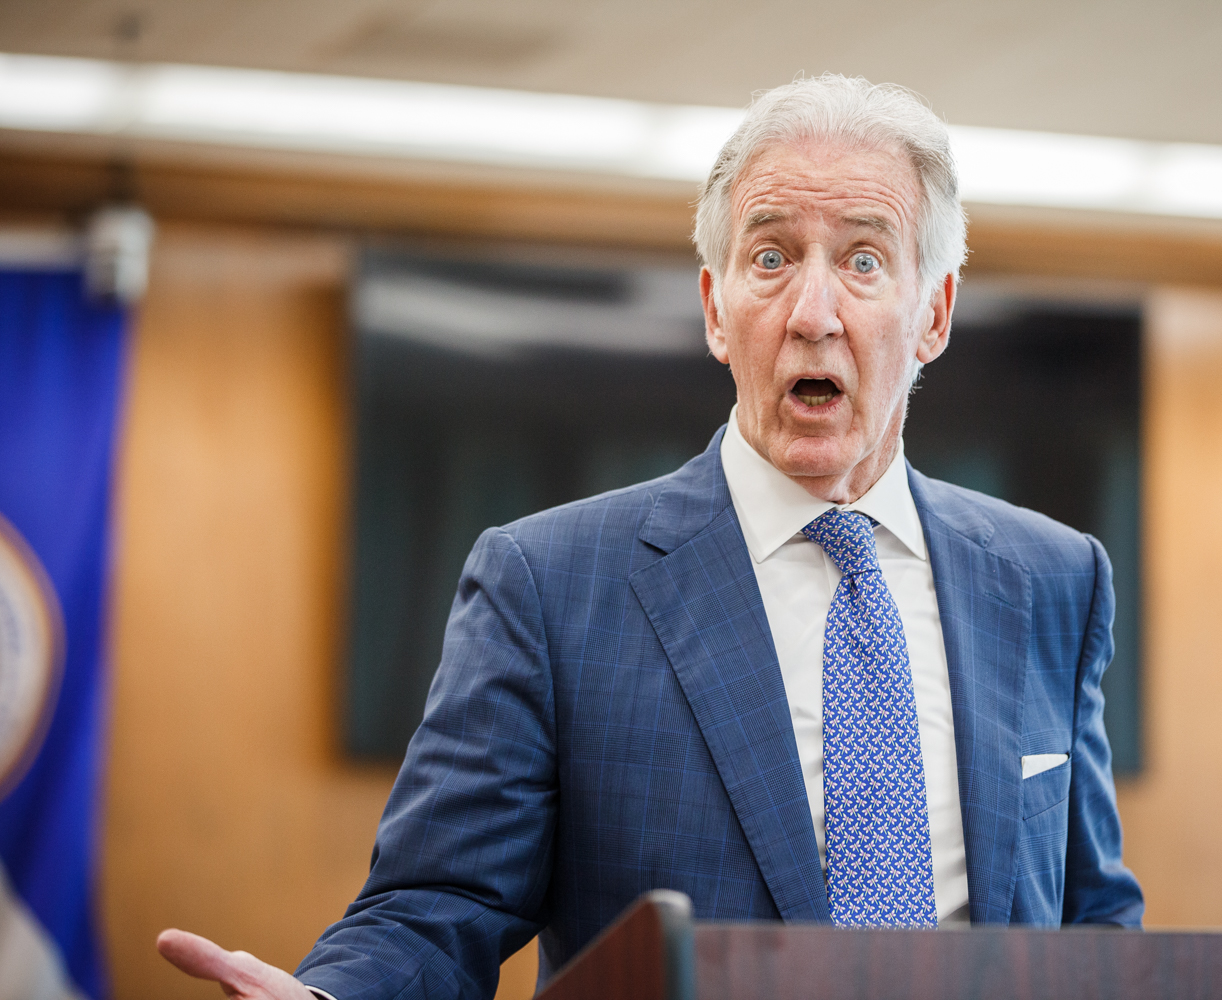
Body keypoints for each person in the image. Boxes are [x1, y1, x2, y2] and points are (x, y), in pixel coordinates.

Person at [157, 74, 1144, 1000]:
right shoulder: (546, 584)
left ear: (933, 312)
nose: (812, 312)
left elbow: (1092, 916)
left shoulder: (1051, 579)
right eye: (770, 257)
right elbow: (436, 906)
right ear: (717, 310)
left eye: (863, 259)